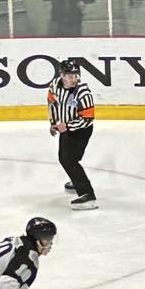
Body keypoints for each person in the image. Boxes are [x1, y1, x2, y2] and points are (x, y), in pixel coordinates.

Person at [48, 58, 98, 210]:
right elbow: (52, 104)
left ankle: (88, 195)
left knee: (69, 160)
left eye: (76, 76)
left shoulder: (83, 92)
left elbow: (88, 119)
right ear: (62, 75)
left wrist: (67, 125)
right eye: (70, 76)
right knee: (65, 158)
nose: (73, 79)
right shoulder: (55, 85)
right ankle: (78, 182)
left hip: (81, 130)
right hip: (65, 128)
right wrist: (54, 122)